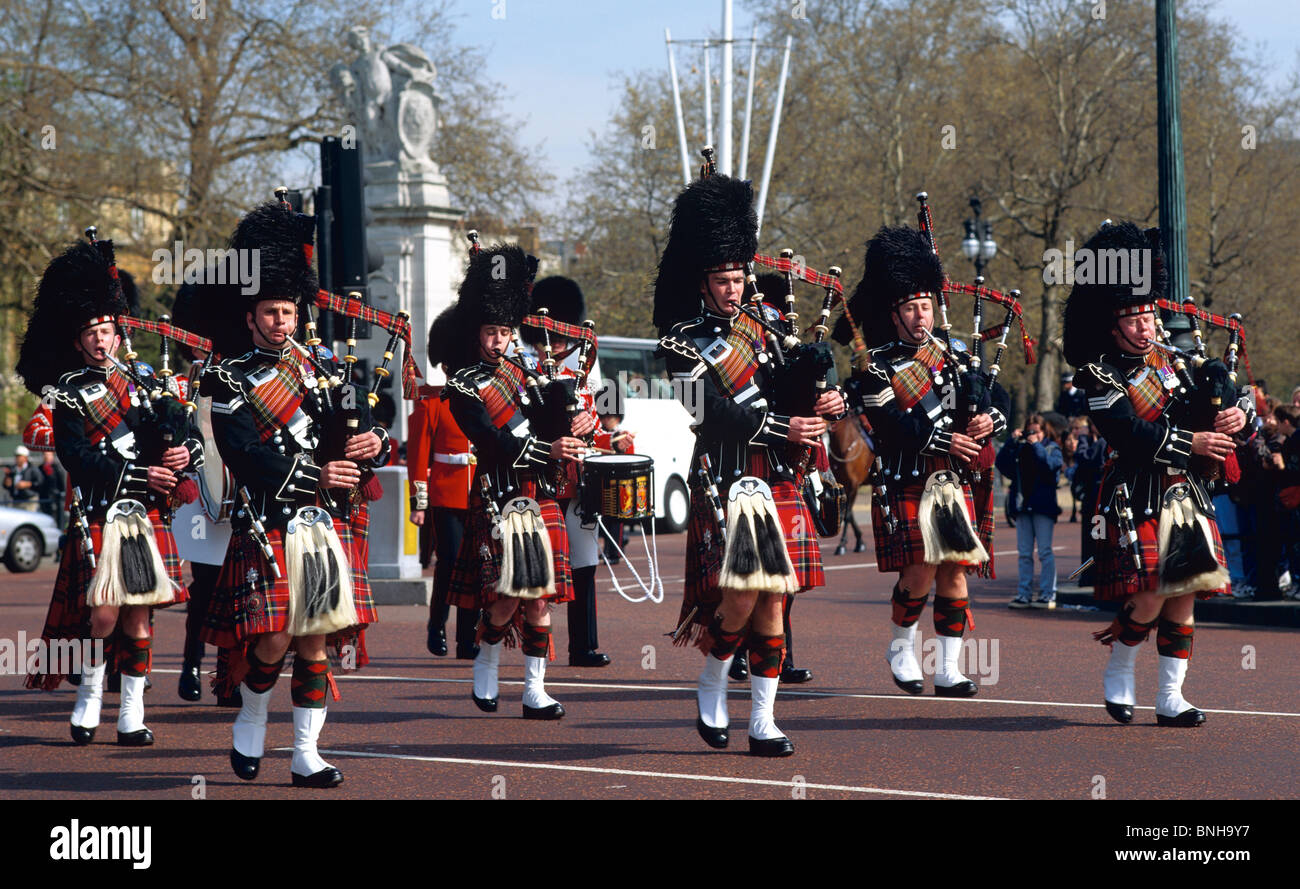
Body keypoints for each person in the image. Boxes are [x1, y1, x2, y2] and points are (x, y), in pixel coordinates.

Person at [655, 169, 844, 756]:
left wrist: (825, 402)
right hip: (726, 475)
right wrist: (786, 423)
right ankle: (713, 677)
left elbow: (794, 393)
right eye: (722, 279)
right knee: (739, 595)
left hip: (779, 474)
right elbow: (708, 414)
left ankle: (763, 721)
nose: (733, 289)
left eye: (738, 277)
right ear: (703, 282)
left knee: (775, 598)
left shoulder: (769, 331)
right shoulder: (678, 345)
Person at [202, 196, 388, 787]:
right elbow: (243, 452)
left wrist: (374, 444)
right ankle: (252, 716)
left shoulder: (325, 365)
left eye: (287, 310)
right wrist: (315, 473)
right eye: (269, 312)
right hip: (273, 515)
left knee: (315, 635)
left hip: (323, 519)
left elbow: (361, 420)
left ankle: (307, 754)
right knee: (276, 637)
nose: (280, 321)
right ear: (251, 315)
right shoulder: (227, 376)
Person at [18, 236, 198, 746]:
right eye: (91, 332)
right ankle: (90, 697)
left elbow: (184, 433)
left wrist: (185, 454)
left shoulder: (146, 380)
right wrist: (143, 476)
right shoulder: (67, 391)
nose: (101, 339)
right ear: (78, 341)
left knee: (139, 614)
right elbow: (78, 457)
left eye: (107, 329)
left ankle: (133, 714)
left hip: (145, 515)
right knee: (103, 614)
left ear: (120, 332)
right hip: (101, 508)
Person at [1063, 221, 1243, 728]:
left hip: (1188, 491)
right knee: (1151, 593)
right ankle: (1120, 666)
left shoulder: (1180, 364)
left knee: (1185, 590)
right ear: (1113, 324)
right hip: (1138, 491)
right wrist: (1194, 443)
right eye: (1133, 319)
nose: (1145, 327)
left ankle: (1171, 697)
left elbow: (1226, 405)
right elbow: (1125, 433)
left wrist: (1235, 414)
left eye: (1148, 316)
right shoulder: (1099, 374)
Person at [834, 226, 1005, 698]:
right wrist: (945, 438)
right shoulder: (877, 366)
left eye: (926, 305)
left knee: (954, 568)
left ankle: (950, 669)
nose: (920, 315)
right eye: (910, 307)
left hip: (955, 478)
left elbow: (999, 400)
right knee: (922, 570)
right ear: (894, 314)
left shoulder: (958, 356)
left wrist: (991, 420)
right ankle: (901, 648)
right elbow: (889, 424)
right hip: (909, 474)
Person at [443, 241, 582, 720]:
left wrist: (575, 424)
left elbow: (552, 425)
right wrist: (551, 447)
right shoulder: (463, 383)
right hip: (498, 495)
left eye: (505, 331)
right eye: (491, 331)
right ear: (475, 332)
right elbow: (492, 439)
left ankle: (534, 691)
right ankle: (485, 664)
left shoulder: (529, 374)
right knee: (504, 599)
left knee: (540, 596)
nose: (499, 339)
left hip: (539, 494)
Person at [519, 275, 612, 667]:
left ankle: (583, 645)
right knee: (537, 567)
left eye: (559, 338)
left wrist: (592, 423)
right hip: (537, 477)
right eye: (547, 338)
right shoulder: (524, 369)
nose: (554, 345)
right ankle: (529, 647)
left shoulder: (585, 369)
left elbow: (606, 420)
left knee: (584, 560)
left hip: (576, 478)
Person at [407, 307, 481, 660]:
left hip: (479, 493)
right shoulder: (432, 402)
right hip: (446, 492)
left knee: (477, 565)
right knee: (450, 562)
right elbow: (418, 455)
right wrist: (418, 503)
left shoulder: (485, 398)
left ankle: (467, 638)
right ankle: (437, 624)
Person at [996, 413, 1063, 608]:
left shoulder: (1052, 448)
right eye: (1030, 431)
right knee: (1024, 553)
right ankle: (1024, 594)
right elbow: (1002, 465)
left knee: (1044, 551)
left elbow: (1050, 467)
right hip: (1023, 506)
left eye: (1036, 431)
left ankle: (1048, 594)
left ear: (1044, 431)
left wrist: (1036, 445)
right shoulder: (1020, 450)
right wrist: (1011, 442)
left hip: (1043, 507)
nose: (1033, 435)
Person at [5, 445, 43, 510]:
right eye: (16, 456)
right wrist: (7, 480)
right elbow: (6, 485)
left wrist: (28, 484)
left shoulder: (32, 469)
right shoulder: (13, 469)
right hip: (16, 500)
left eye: (19, 456)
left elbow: (40, 482)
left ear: (25, 457)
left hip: (29, 501)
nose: (17, 458)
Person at [38, 450, 67, 527]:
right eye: (45, 455)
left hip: (55, 497)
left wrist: (61, 493)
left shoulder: (57, 468)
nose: (46, 456)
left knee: (57, 517)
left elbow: (61, 482)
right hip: (44, 497)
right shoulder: (40, 468)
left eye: (48, 455)